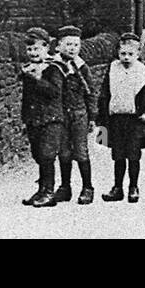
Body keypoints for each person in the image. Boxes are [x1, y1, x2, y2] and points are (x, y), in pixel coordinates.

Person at [96, 33, 145, 203]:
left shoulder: (143, 73)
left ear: (138, 54)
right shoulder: (112, 70)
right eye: (123, 53)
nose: (126, 57)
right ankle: (117, 187)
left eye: (130, 54)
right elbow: (104, 94)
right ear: (118, 53)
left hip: (135, 121)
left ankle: (133, 186)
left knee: (133, 154)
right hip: (116, 119)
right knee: (118, 154)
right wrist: (102, 116)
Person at [19, 26, 65, 208]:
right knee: (38, 154)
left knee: (47, 155)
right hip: (33, 118)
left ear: (47, 47)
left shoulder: (54, 68)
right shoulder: (29, 68)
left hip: (51, 118)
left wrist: (38, 78)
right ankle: (41, 189)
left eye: (37, 48)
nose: (32, 53)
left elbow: (55, 92)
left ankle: (49, 192)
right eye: (29, 49)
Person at [54, 24, 97, 205]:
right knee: (63, 151)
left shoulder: (82, 67)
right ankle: (65, 187)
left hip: (79, 113)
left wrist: (93, 116)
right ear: (59, 45)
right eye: (68, 44)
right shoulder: (54, 66)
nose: (72, 48)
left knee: (80, 151)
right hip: (61, 114)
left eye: (76, 45)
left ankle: (88, 187)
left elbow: (91, 92)